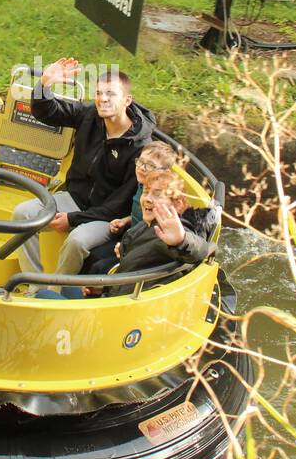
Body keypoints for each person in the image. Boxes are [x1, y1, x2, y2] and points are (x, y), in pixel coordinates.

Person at [12, 57, 155, 276]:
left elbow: (119, 204)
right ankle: (35, 284)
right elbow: (48, 111)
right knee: (23, 214)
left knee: (77, 240)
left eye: (110, 94)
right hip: (75, 199)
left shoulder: (139, 147)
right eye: (98, 93)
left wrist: (73, 219)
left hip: (106, 216)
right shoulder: (91, 115)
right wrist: (45, 83)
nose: (102, 99)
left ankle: (56, 293)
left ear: (127, 100)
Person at [93, 170, 215, 297]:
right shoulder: (146, 224)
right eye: (145, 192)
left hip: (129, 306)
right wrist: (104, 289)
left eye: (157, 194)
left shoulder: (170, 232)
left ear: (177, 204)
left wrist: (182, 240)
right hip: (118, 293)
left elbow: (200, 251)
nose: (148, 199)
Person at [79, 140, 178, 275]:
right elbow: (141, 215)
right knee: (94, 254)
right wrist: (125, 220)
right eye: (140, 162)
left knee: (100, 266)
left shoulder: (160, 197)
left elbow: (152, 230)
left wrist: (127, 247)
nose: (142, 168)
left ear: (165, 172)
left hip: (140, 248)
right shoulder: (142, 184)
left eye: (150, 166)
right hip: (130, 237)